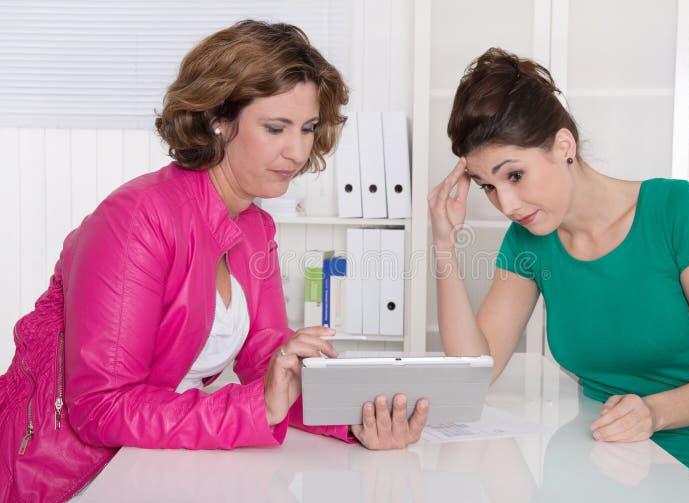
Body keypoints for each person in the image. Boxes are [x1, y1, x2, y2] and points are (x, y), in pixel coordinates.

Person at [0, 20, 427, 502]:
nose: (298, 150)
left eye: (308, 128)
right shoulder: (137, 218)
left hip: (158, 462)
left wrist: (357, 418)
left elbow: (266, 363)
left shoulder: (254, 225)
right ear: (218, 120)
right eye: (275, 128)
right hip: (76, 477)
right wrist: (254, 407)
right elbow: (101, 407)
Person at [428, 47, 689, 502]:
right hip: (601, 469)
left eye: (515, 175)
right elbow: (472, 374)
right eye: (488, 187)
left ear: (563, 146)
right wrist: (443, 244)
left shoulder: (677, 211)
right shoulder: (529, 241)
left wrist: (653, 413)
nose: (506, 205)